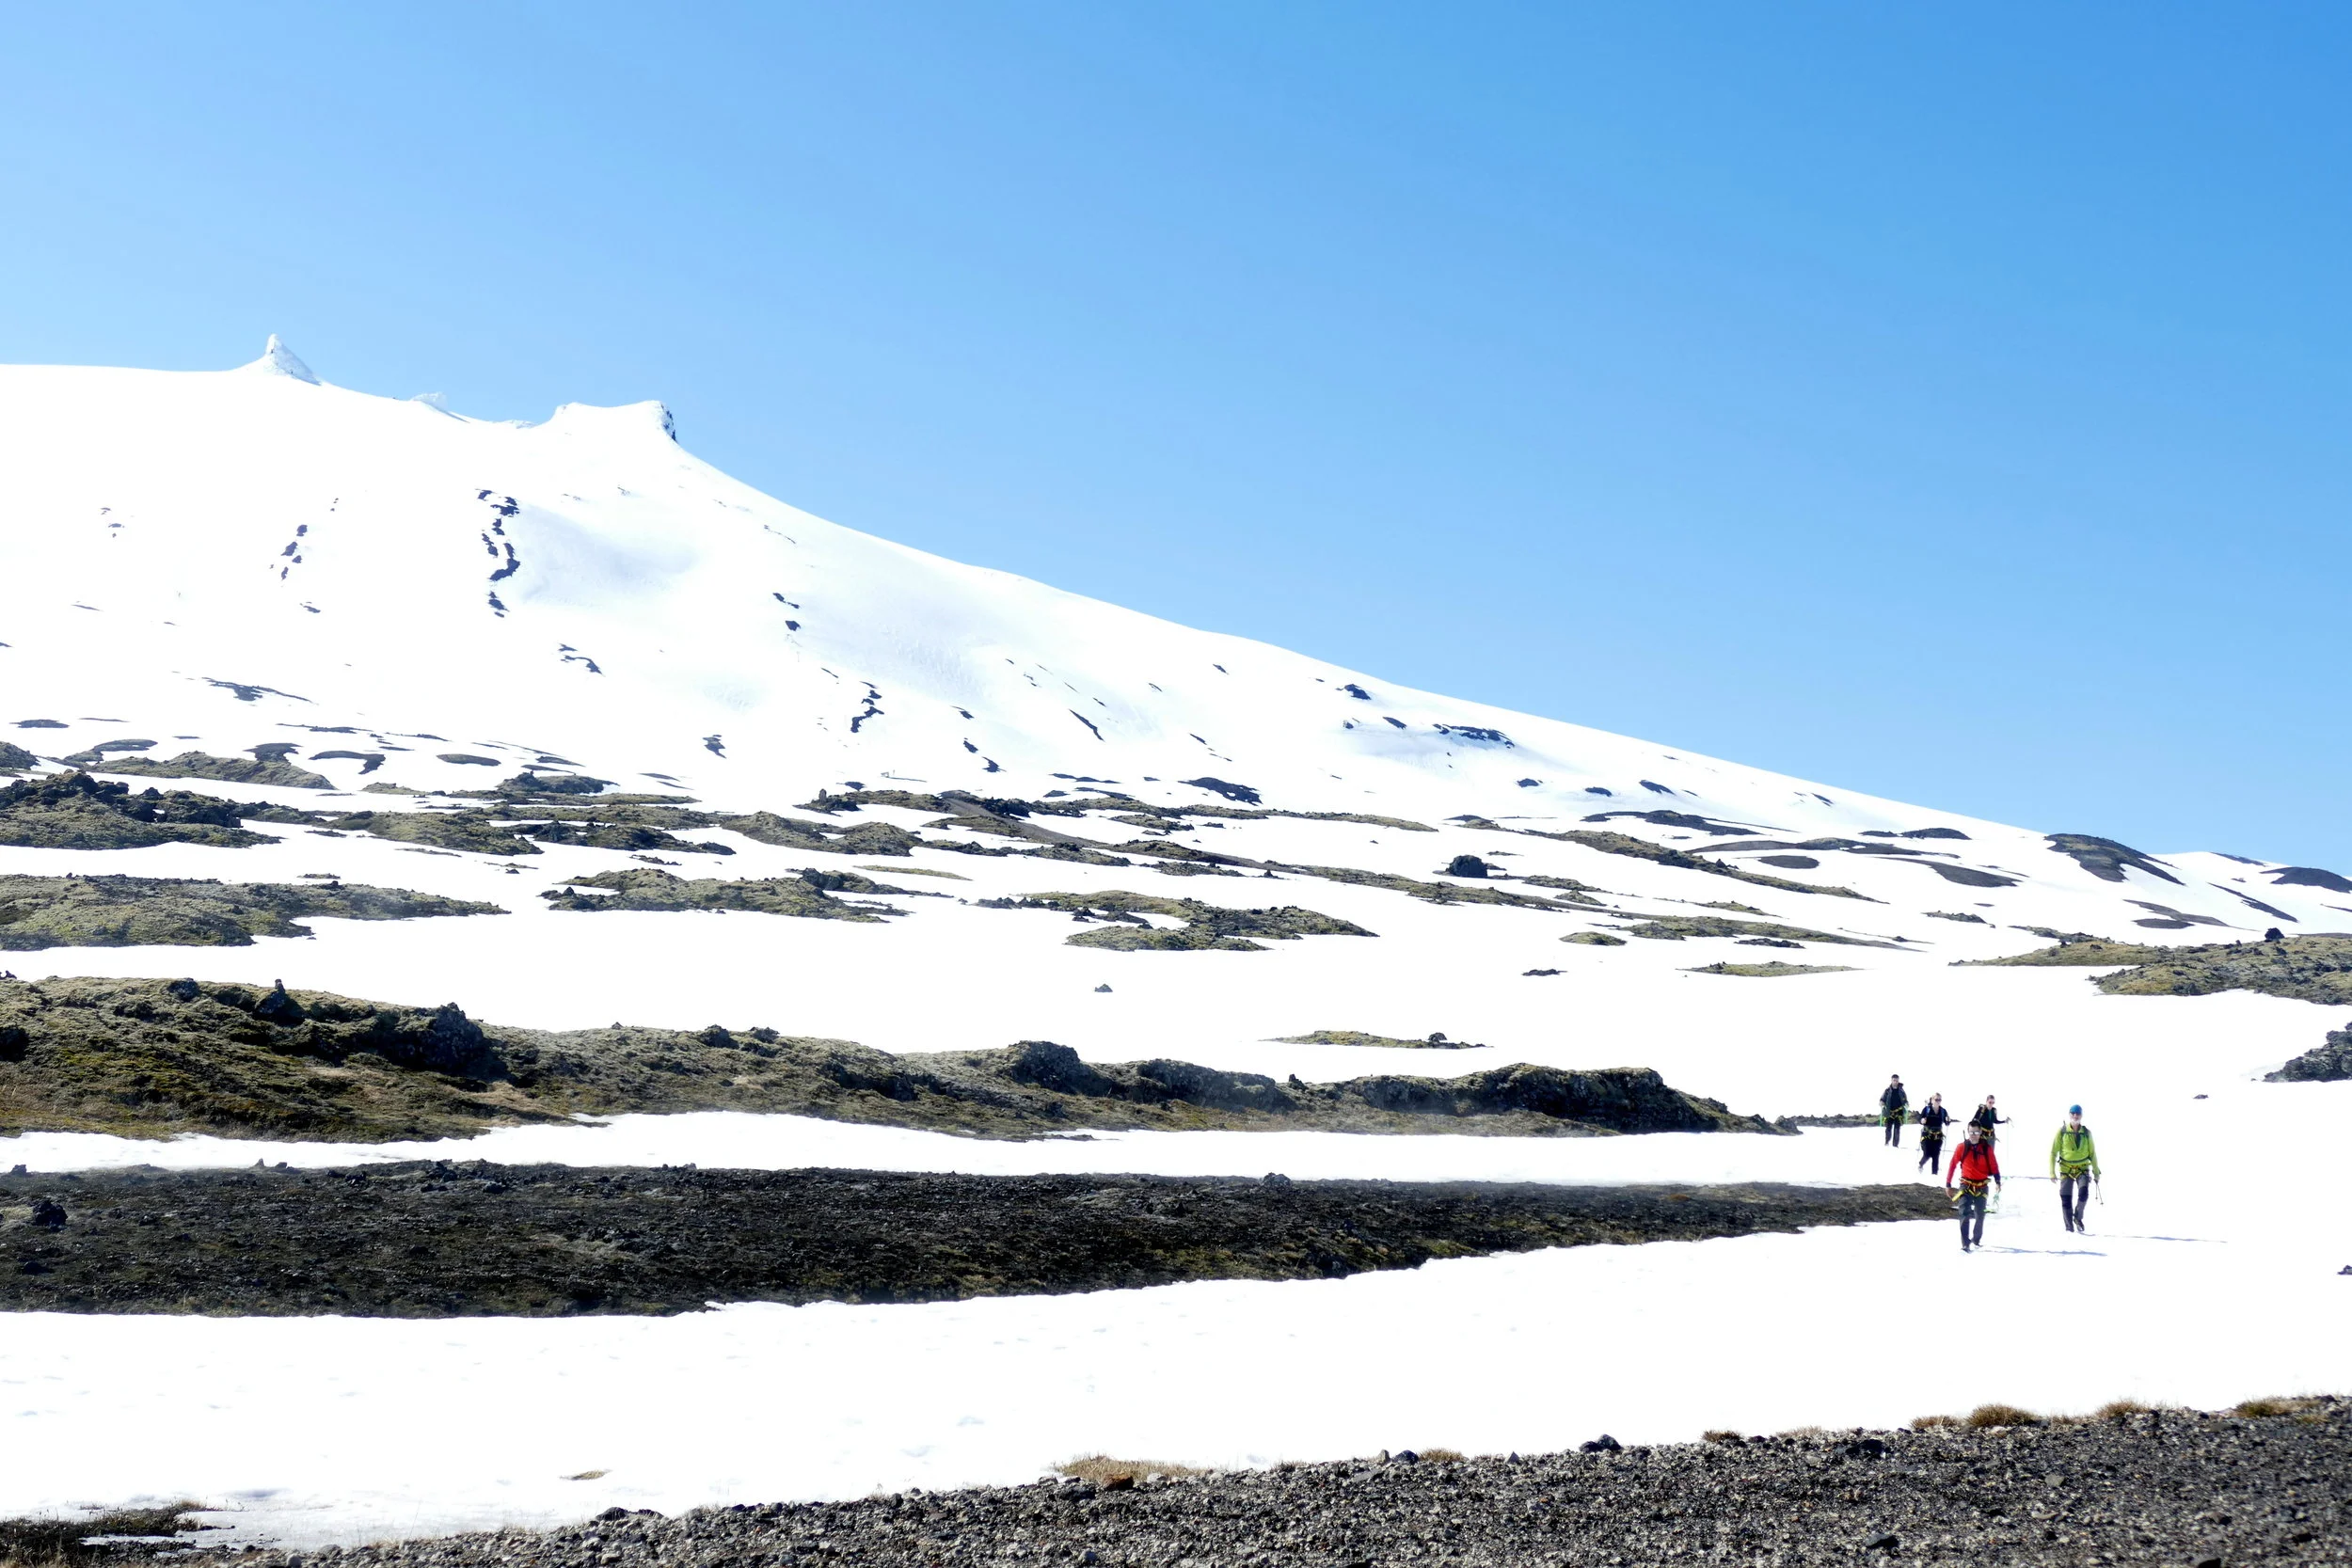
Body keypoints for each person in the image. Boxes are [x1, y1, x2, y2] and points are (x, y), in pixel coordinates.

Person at [1947, 1121, 2002, 1251]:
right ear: (1968, 1132)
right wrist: (1948, 1184)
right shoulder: (1962, 1147)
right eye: (1971, 1132)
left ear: (1980, 1132)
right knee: (1964, 1214)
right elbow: (1953, 1164)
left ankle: (1976, 1239)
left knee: (1979, 1215)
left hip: (1982, 1186)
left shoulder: (1986, 1148)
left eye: (1976, 1132)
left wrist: (1998, 1181)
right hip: (1966, 1185)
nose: (1974, 1135)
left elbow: (1994, 1165)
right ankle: (1965, 1243)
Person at [2049, 1104, 2101, 1233]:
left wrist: (2096, 1171)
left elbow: (2092, 1153)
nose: (2075, 1116)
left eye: (2077, 1113)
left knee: (2083, 1194)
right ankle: (2069, 1228)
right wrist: (2052, 1172)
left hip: (2082, 1168)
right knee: (2065, 1198)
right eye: (2073, 1113)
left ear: (2081, 1115)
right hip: (2066, 1169)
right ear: (2069, 1115)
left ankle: (2078, 1217)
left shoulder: (2086, 1133)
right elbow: (2053, 1152)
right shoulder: (2062, 1132)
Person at [1915, 1093, 1952, 1175]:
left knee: (1936, 1155)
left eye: (1939, 1100)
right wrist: (1922, 1121)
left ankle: (1934, 1175)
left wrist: (1948, 1120)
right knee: (1927, 1153)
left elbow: (1947, 1123)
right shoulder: (1927, 1109)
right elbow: (1920, 1118)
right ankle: (1921, 1164)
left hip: (1938, 1136)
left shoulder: (1943, 1111)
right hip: (1926, 1135)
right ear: (1932, 1100)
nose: (1938, 1102)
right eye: (1936, 1100)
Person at [1880, 1074, 1909, 1148]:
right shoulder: (1887, 1091)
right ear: (1891, 1080)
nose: (1895, 1082)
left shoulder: (1902, 1091)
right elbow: (1882, 1099)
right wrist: (1881, 1103)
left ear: (1898, 1081)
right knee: (1888, 1129)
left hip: (1899, 1112)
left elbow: (1905, 1100)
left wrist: (1906, 1103)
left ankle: (1895, 1145)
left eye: (1897, 1080)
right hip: (1889, 1112)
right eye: (1894, 1080)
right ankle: (1887, 1143)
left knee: (1897, 1129)